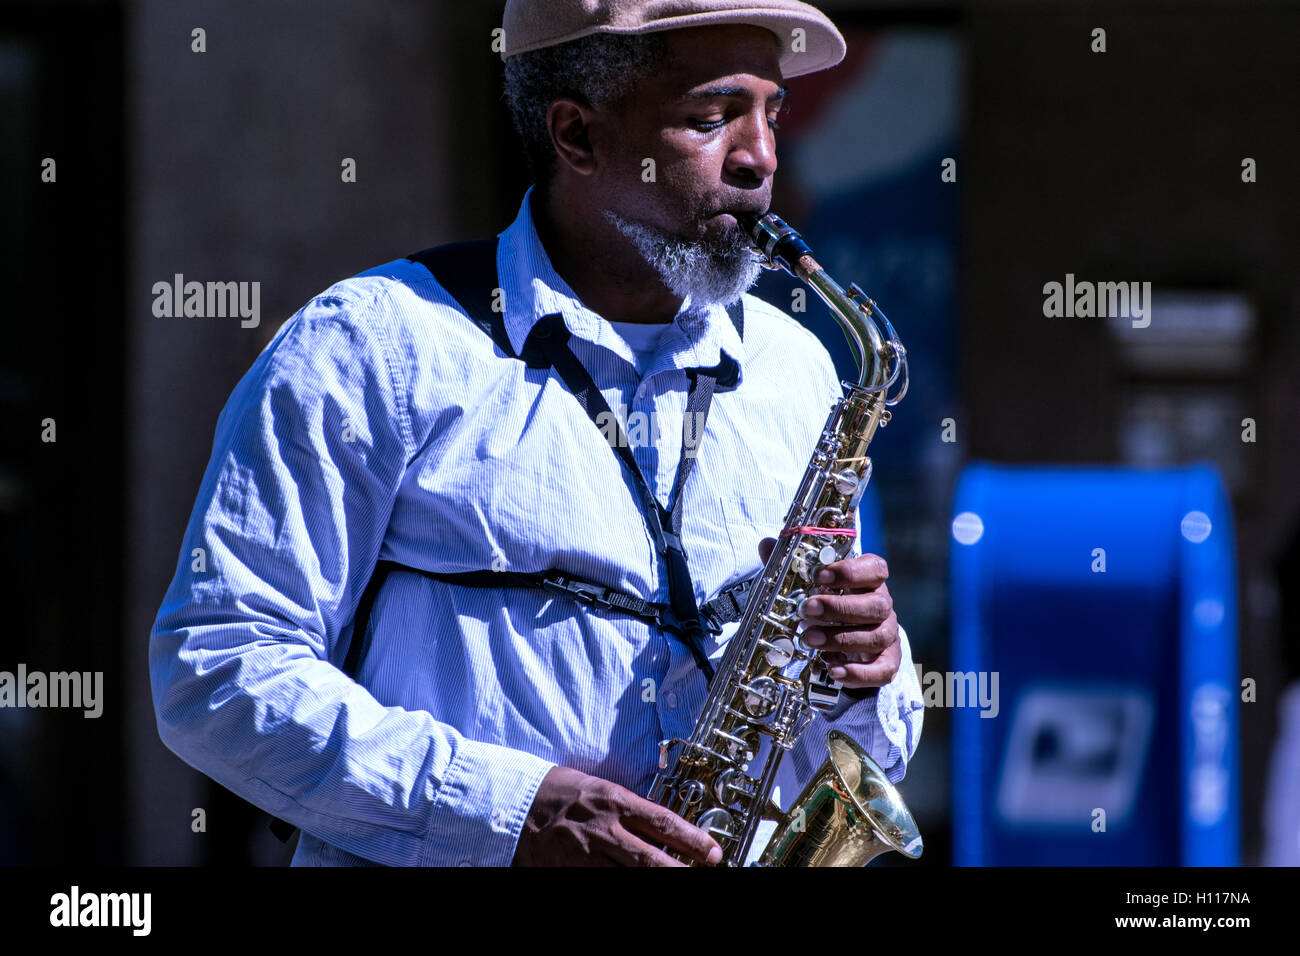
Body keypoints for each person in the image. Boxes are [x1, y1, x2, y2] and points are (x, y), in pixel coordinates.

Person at [149, 0, 925, 867]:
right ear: (577, 135)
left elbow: (869, 750)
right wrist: (511, 813)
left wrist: (867, 671)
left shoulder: (801, 370)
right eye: (712, 118)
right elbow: (215, 671)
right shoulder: (372, 346)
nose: (761, 158)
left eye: (772, 115)